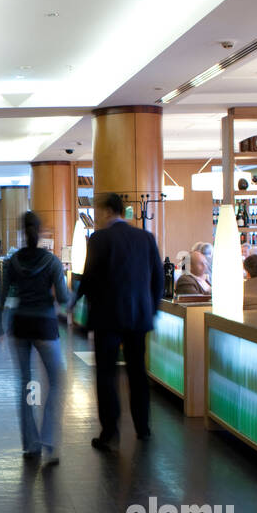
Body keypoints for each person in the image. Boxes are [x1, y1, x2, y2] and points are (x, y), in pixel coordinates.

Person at [79, 192, 164, 450]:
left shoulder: (99, 238)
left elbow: (90, 278)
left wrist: (82, 307)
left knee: (106, 375)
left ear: (106, 212)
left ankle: (110, 432)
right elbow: (158, 278)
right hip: (138, 316)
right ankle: (143, 428)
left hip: (107, 317)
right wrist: (152, 310)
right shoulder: (145, 237)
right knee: (137, 373)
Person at [0, 211, 69, 466]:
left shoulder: (14, 261)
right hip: (45, 326)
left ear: (22, 232)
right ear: (41, 231)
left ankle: (31, 445)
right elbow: (64, 298)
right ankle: (48, 439)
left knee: (26, 384)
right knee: (57, 381)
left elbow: (1, 297)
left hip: (20, 325)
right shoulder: (52, 261)